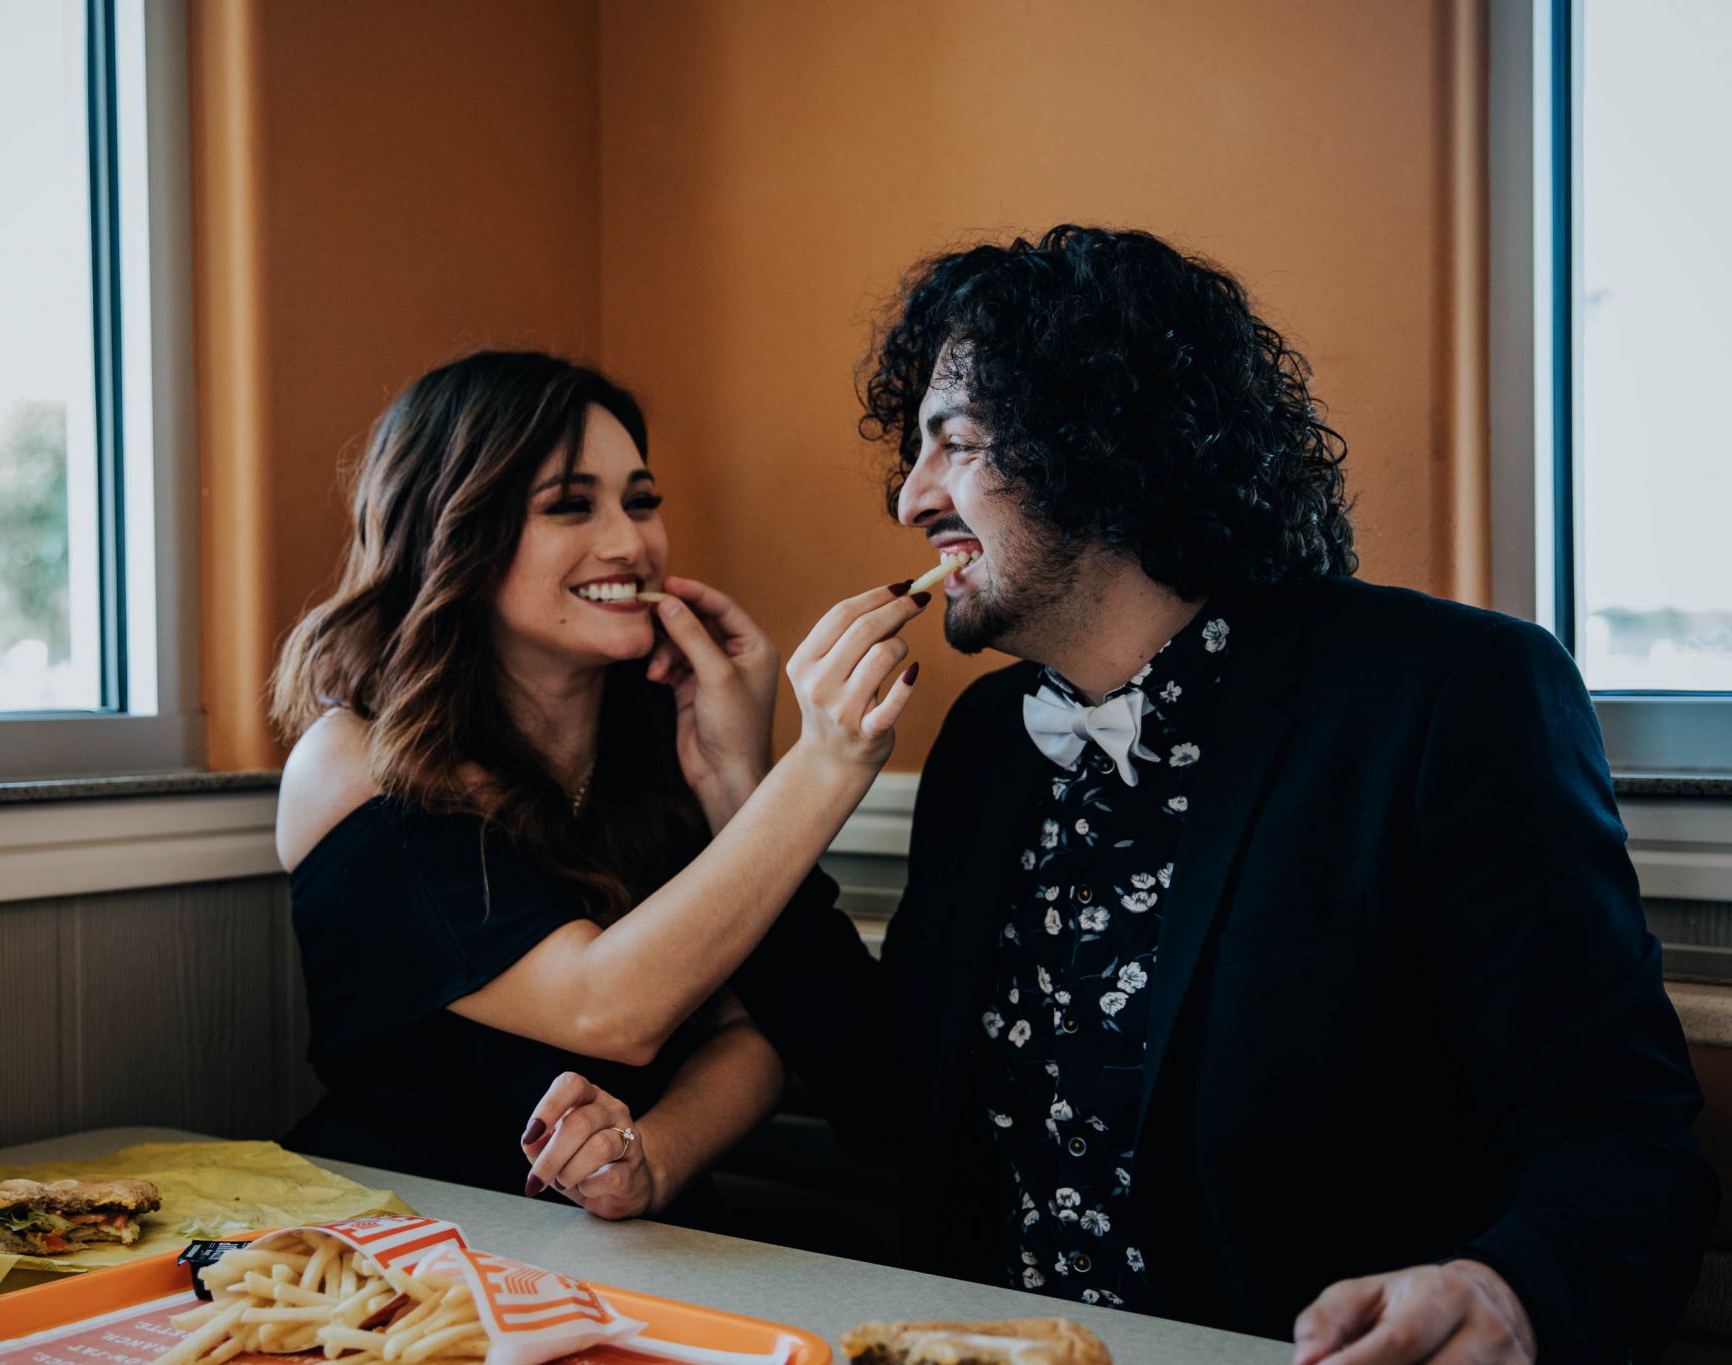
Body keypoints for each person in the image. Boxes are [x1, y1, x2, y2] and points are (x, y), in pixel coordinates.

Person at [727, 226, 1714, 1362]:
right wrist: (741, 796)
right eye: (912, 455)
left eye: (952, 445)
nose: (910, 499)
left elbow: (1617, 1138)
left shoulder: (1447, 697)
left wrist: (1507, 1293)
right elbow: (885, 1105)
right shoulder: (989, 741)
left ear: (1096, 437)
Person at [269, 350, 924, 1225]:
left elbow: (750, 1031)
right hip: (412, 1243)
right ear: (450, 528)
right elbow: (609, 1005)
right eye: (570, 505)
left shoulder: (666, 739)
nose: (630, 541)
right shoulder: (354, 761)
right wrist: (821, 765)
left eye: (641, 501)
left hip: (644, 1242)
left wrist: (651, 1159)